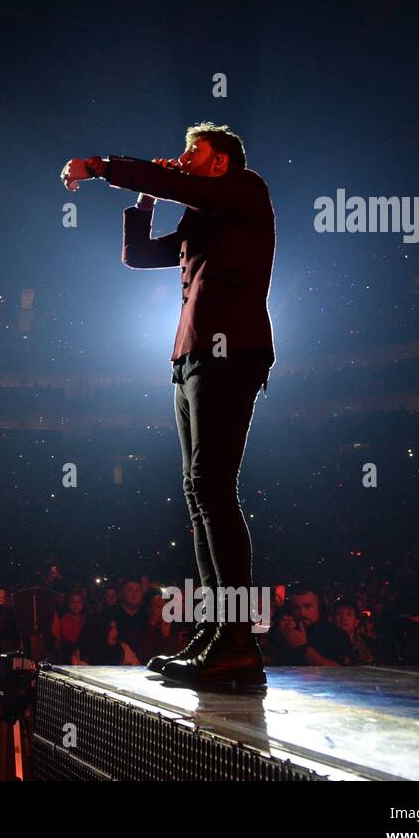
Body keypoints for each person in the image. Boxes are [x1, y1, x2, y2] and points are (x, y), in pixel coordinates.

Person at [63, 123, 275, 690]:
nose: (182, 158)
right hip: (190, 358)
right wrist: (145, 198)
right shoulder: (201, 214)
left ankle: (237, 642)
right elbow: (137, 256)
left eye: (194, 151)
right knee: (198, 490)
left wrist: (102, 163)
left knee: (213, 487)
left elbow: (192, 190)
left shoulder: (246, 191)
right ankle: (215, 632)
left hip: (231, 352)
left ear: (222, 161)